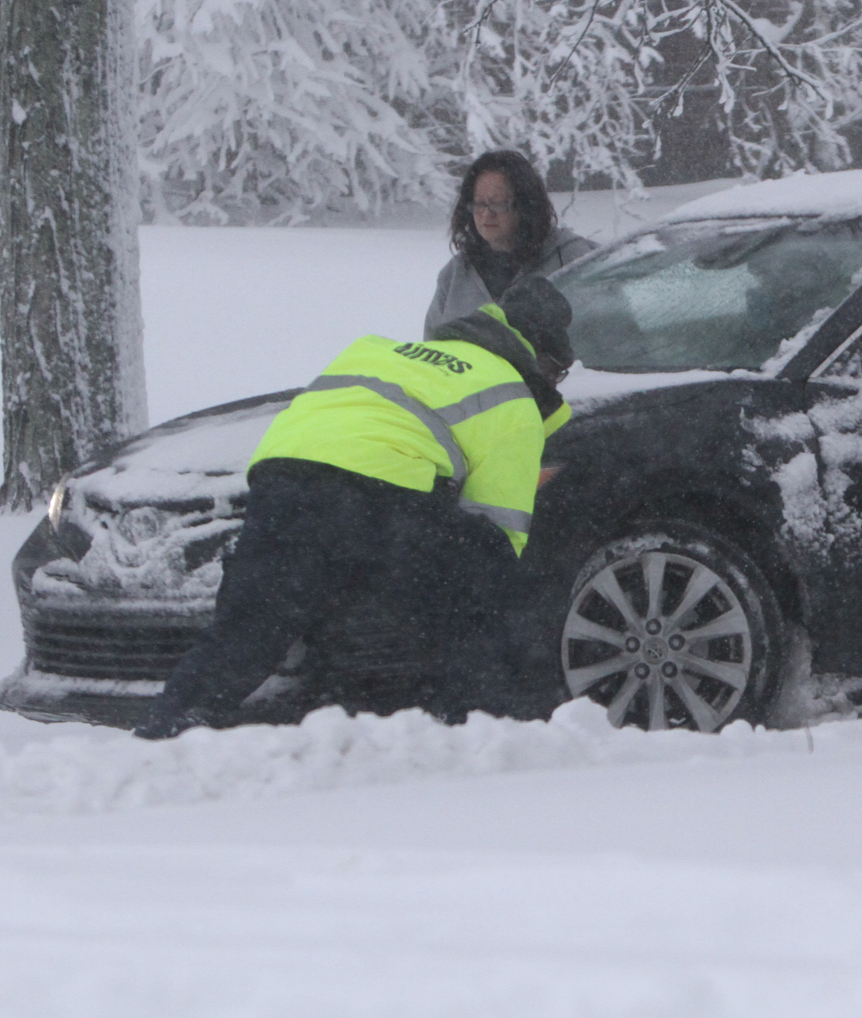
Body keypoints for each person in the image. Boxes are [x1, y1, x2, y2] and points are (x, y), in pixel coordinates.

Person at [135, 272, 576, 739]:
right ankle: (479, 727)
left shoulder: (377, 350)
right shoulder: (512, 399)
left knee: (254, 620)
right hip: (382, 495)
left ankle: (172, 723)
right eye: (558, 370)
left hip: (283, 477)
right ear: (541, 355)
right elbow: (500, 529)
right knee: (484, 585)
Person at [424, 150, 596, 337]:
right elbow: (432, 351)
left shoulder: (572, 260)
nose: (487, 214)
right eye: (479, 204)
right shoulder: (455, 275)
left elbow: (603, 335)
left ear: (525, 205)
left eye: (498, 203)